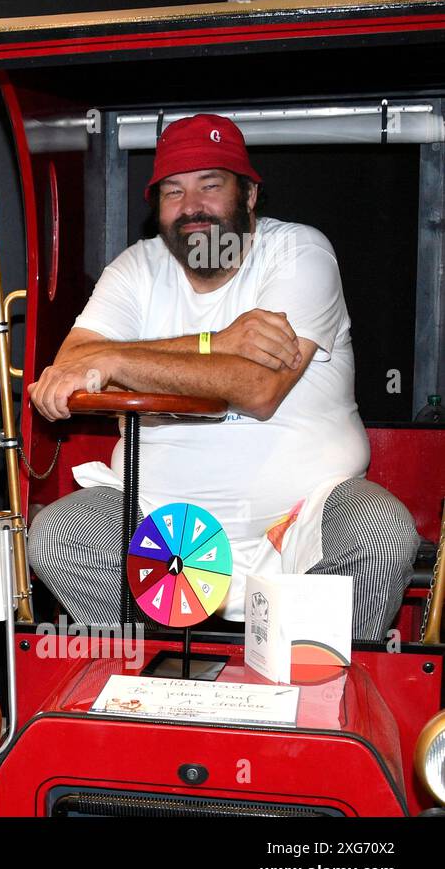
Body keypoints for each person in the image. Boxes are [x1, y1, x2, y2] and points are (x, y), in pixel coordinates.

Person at [26, 114, 420, 641]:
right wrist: (217, 342)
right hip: (160, 530)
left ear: (250, 195)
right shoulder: (136, 268)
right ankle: (151, 684)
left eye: (210, 185)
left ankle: (326, 700)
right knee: (57, 536)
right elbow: (75, 360)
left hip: (295, 524)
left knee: (382, 533)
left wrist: (118, 361)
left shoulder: (299, 251)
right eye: (173, 191)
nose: (191, 207)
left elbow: (257, 390)